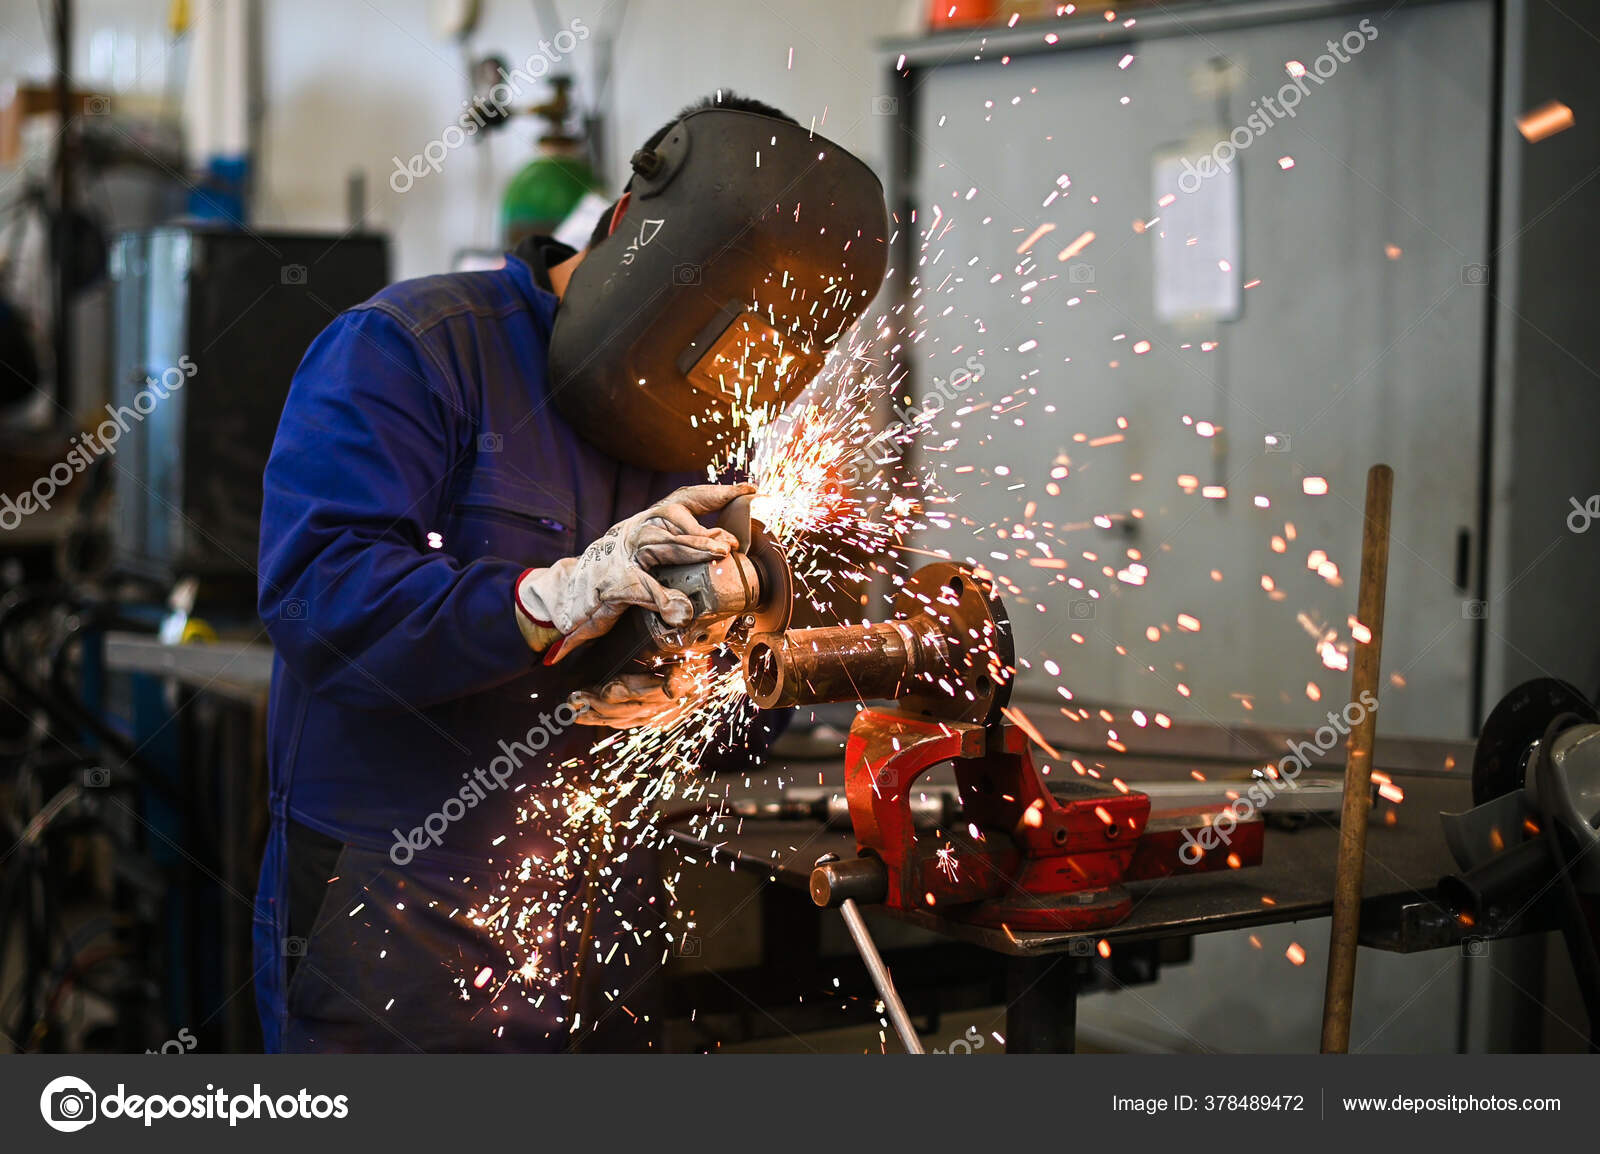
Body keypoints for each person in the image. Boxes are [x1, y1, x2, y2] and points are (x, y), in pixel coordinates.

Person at [252, 91, 888, 1052]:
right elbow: (321, 597)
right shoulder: (413, 350)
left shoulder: (715, 427)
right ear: (630, 223)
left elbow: (739, 721)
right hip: (395, 916)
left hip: (601, 917)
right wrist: (550, 604)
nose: (722, 369)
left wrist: (715, 671)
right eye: (710, 319)